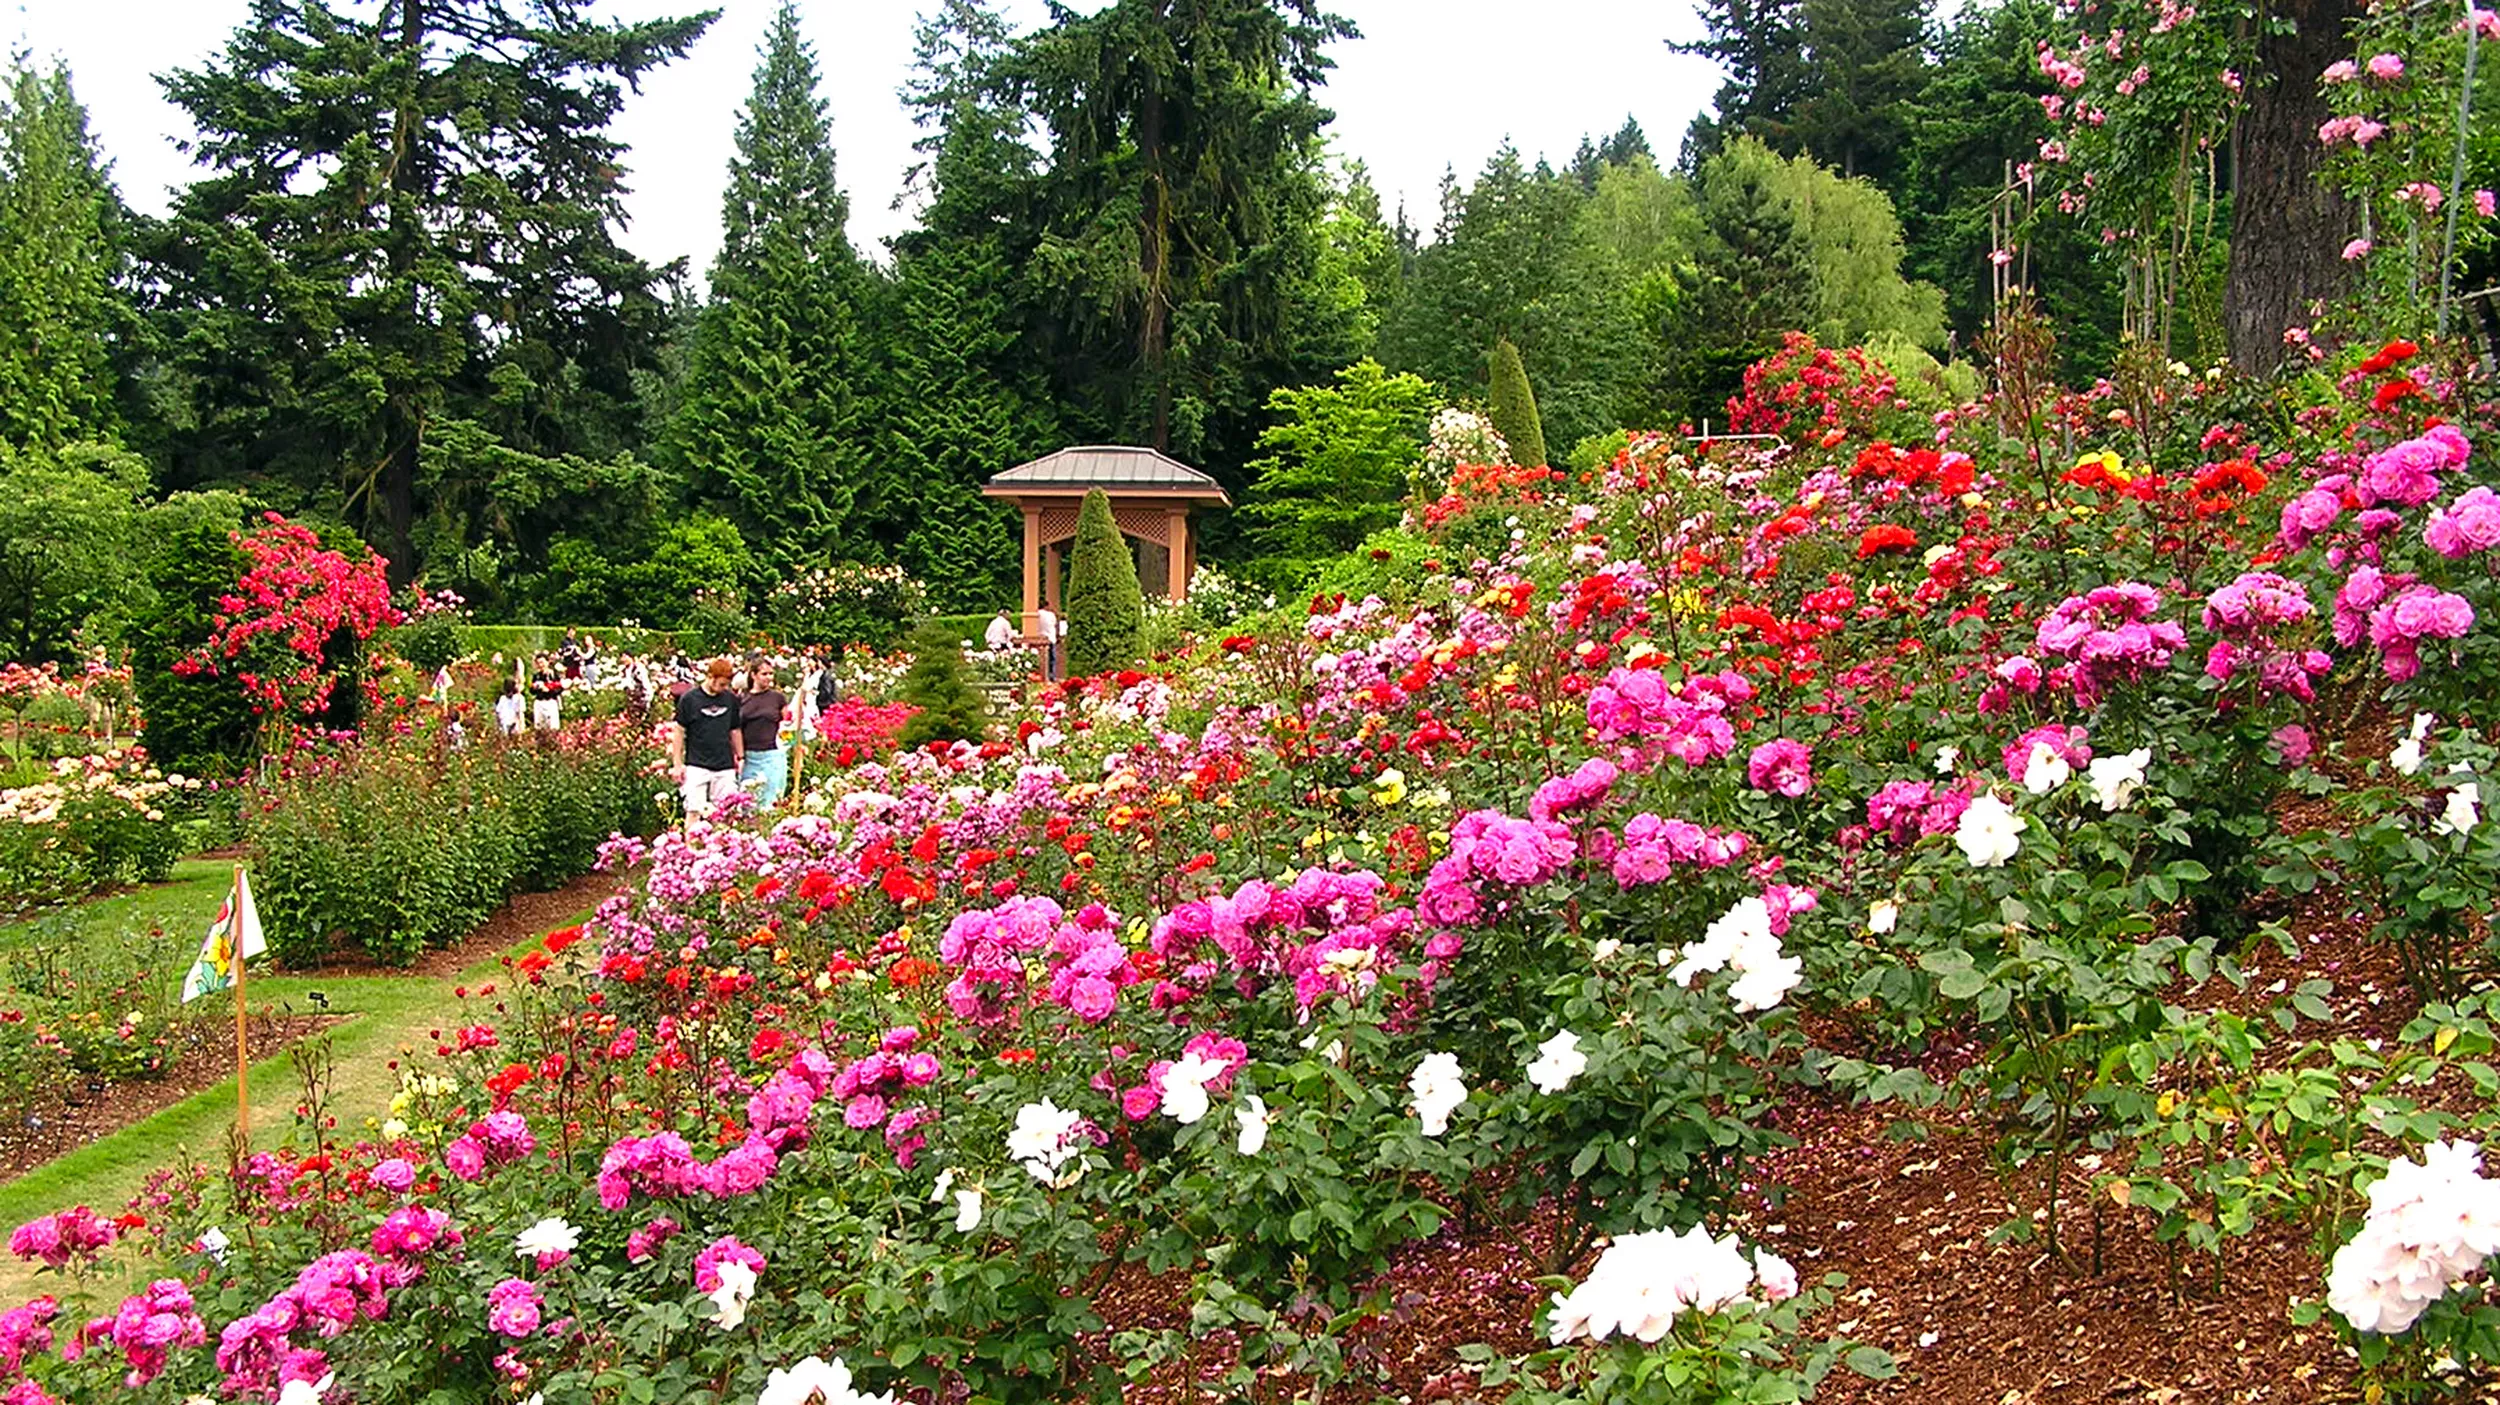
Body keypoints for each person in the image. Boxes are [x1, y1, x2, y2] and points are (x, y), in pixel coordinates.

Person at [670, 658, 746, 819]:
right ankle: (690, 844)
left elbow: (735, 729)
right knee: (693, 812)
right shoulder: (689, 699)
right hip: (697, 764)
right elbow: (679, 731)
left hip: (724, 765)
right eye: (722, 684)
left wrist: (741, 757)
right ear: (711, 676)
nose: (724, 688)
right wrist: (677, 764)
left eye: (726, 685)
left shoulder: (730, 699)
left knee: (726, 814)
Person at [738, 662, 790, 807]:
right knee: (748, 801)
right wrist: (738, 755)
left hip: (772, 756)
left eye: (770, 674)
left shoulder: (777, 698)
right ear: (754, 675)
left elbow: (787, 725)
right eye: (764, 674)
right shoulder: (742, 699)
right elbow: (736, 729)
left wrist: (790, 743)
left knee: (771, 800)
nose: (768, 678)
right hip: (749, 756)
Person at [529, 655, 564, 730]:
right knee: (539, 726)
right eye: (538, 663)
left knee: (552, 726)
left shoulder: (553, 674)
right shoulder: (536, 676)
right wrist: (535, 688)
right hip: (539, 702)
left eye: (542, 662)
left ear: (547, 662)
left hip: (550, 701)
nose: (541, 665)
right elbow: (531, 691)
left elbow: (560, 688)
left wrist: (549, 690)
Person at [1036, 605, 1060, 680]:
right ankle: (1052, 676)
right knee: (1052, 659)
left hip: (1040, 637)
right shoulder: (1051, 615)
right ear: (1046, 606)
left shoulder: (1037, 614)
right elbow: (1055, 625)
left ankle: (1041, 675)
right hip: (1051, 638)